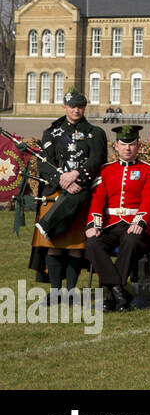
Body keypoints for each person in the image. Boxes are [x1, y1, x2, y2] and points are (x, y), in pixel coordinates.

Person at [30, 87, 107, 295]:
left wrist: (76, 176)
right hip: (56, 193)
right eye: (72, 106)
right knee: (53, 243)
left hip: (81, 193)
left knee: (75, 246)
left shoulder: (95, 133)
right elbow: (45, 164)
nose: (76, 110)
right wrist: (63, 181)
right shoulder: (51, 133)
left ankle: (71, 292)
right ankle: (56, 292)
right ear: (64, 107)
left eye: (80, 107)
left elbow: (97, 160)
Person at [84, 124, 150, 311]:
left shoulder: (149, 171)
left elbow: (149, 201)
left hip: (134, 225)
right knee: (91, 244)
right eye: (123, 144)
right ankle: (119, 291)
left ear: (138, 146)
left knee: (131, 242)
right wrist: (94, 223)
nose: (128, 148)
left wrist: (140, 222)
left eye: (132, 144)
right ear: (115, 146)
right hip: (110, 224)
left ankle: (111, 293)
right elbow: (98, 199)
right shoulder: (106, 170)